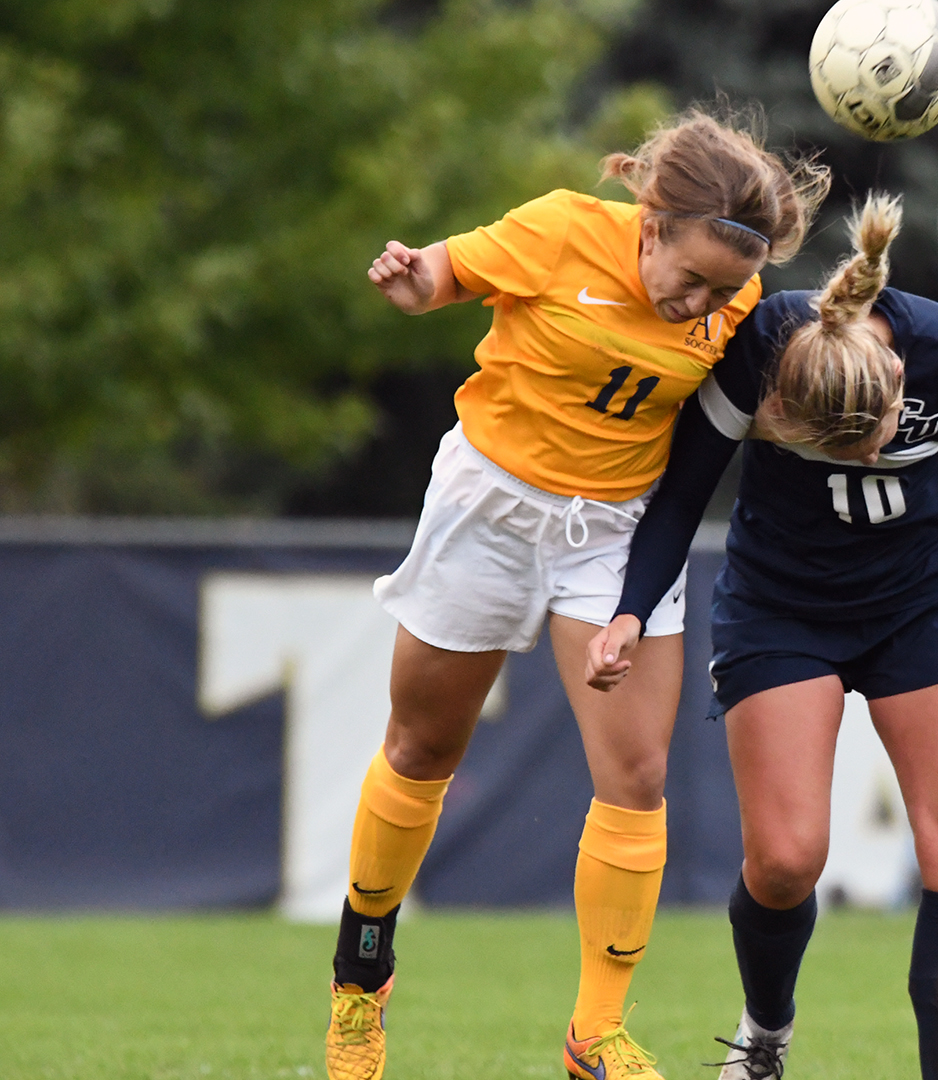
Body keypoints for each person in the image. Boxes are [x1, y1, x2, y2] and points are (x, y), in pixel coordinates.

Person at [328, 109, 829, 1080]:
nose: (702, 304)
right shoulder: (560, 230)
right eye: (689, 278)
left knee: (637, 776)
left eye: (723, 290)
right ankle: (362, 978)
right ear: (648, 223)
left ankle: (595, 1033)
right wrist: (410, 280)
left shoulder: (738, 294)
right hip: (491, 505)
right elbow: (446, 274)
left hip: (614, 532)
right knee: (423, 745)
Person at [584, 192, 938, 1080]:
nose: (859, 461)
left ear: (900, 388)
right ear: (783, 404)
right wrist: (629, 610)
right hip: (784, 601)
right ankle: (766, 1032)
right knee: (784, 862)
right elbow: (680, 495)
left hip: (928, 594)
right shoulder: (758, 356)